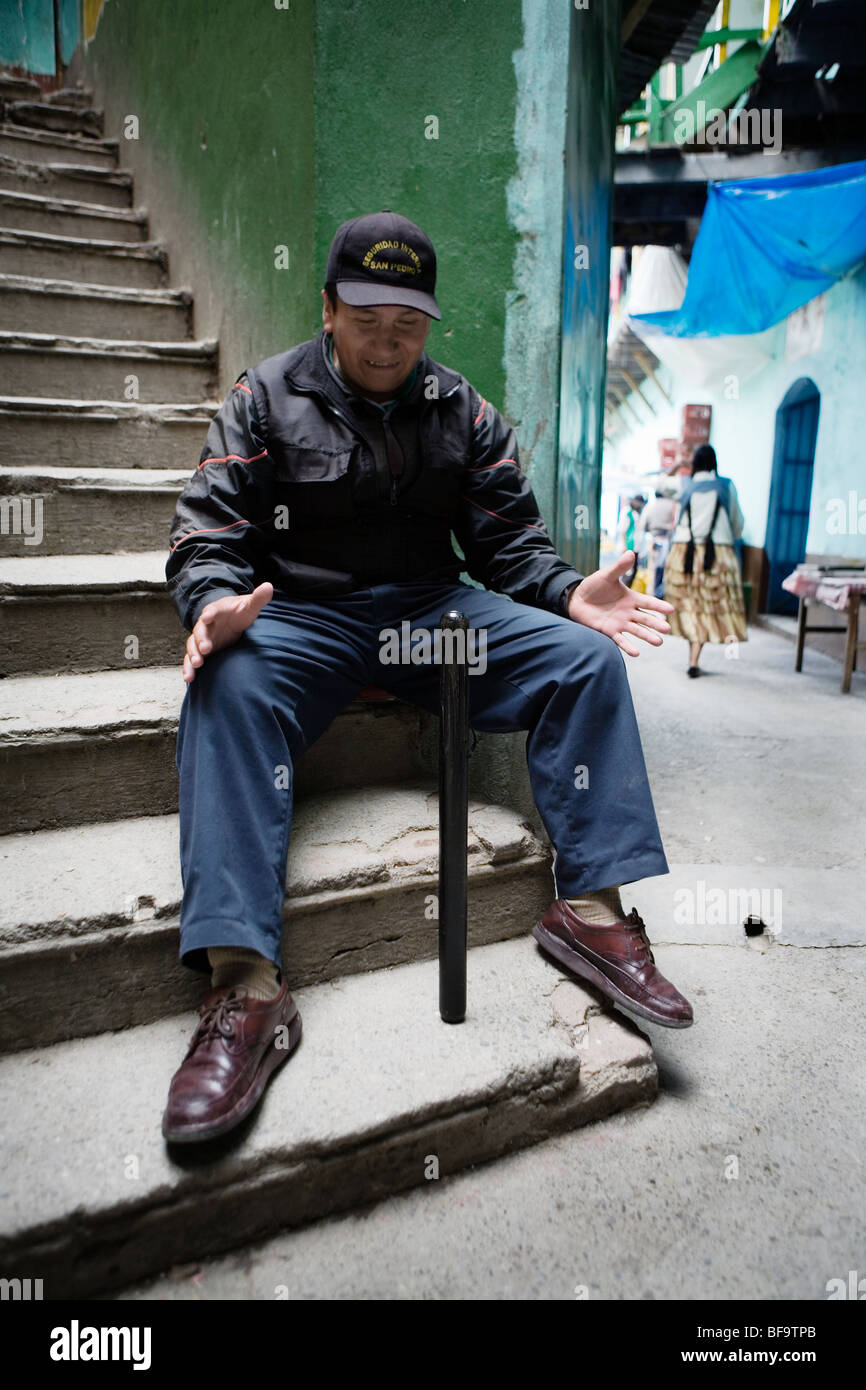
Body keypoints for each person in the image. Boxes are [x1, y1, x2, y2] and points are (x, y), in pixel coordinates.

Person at [161, 211, 694, 1146]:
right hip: (302, 618)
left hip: (426, 620)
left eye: (407, 321)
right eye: (366, 316)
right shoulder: (262, 398)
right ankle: (245, 987)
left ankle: (590, 910)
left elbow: (511, 546)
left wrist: (572, 594)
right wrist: (212, 604)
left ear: (428, 324)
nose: (388, 339)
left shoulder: (463, 411)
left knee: (585, 660)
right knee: (227, 682)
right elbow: (207, 530)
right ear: (327, 308)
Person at [658, 444, 747, 676]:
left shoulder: (684, 483)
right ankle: (695, 658)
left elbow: (659, 486)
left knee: (691, 605)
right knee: (707, 606)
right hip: (717, 554)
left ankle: (693, 657)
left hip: (684, 553)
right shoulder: (726, 486)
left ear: (694, 463)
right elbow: (738, 525)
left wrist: (677, 466)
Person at [635, 490, 678, 600]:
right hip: (669, 540)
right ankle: (662, 595)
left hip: (653, 540)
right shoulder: (672, 504)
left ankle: (653, 596)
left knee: (653, 569)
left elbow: (642, 525)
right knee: (667, 570)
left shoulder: (650, 506)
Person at [615, 494, 647, 588]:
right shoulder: (627, 512)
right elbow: (622, 530)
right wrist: (624, 546)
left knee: (632, 572)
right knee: (627, 572)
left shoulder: (637, 513)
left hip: (635, 547)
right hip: (628, 547)